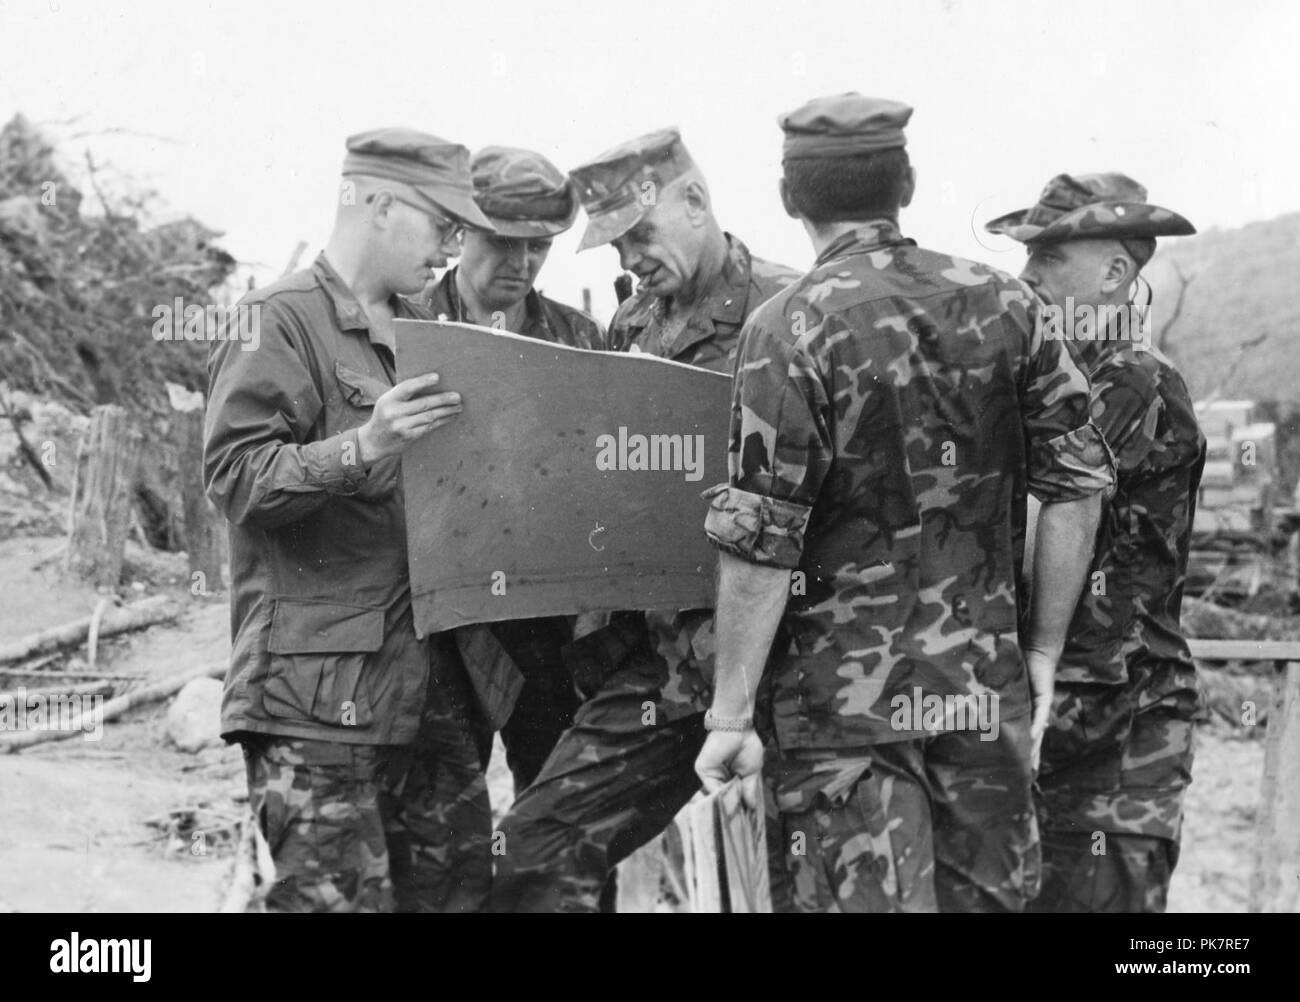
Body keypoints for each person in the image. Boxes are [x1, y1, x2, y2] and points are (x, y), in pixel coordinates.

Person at [695, 93, 1115, 912]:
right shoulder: (1010, 304)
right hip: (981, 697)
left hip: (841, 721)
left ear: (790, 198)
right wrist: (1041, 654)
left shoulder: (787, 328)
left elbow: (760, 540)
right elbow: (1076, 491)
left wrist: (729, 715)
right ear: (908, 182)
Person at [490, 127, 798, 912]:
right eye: (615, 246)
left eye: (640, 235)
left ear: (694, 199)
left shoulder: (792, 309)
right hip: (663, 669)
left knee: (793, 885)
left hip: (783, 667)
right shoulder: (634, 324)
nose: (630, 261)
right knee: (536, 848)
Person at [203, 128, 499, 912]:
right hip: (316, 704)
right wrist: (365, 444)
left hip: (430, 694)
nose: (454, 246)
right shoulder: (275, 321)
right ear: (380, 204)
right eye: (444, 224)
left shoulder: (424, 333)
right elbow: (235, 481)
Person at [985, 172, 1206, 912]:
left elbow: (1041, 520)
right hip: (1052, 727)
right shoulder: (1055, 382)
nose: (1028, 274)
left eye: (1049, 257)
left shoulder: (1132, 385)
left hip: (1117, 748)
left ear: (1115, 272)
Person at [423, 145, 605, 792]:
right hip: (439, 626)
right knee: (442, 828)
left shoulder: (581, 340)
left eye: (540, 247)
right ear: (461, 231)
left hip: (551, 625)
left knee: (563, 816)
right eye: (503, 243)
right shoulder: (402, 329)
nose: (522, 263)